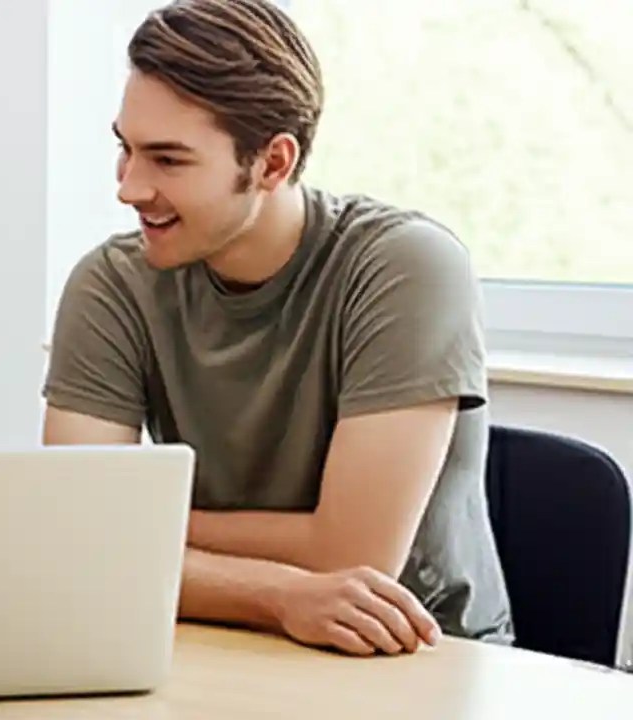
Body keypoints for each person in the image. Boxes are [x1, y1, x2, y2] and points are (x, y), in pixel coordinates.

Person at [42, 0, 512, 656]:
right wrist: (276, 593)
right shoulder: (112, 284)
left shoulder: (406, 267)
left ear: (272, 163)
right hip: (212, 635)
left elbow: (353, 556)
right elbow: (74, 536)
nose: (128, 187)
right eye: (125, 149)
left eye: (168, 160)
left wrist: (141, 525)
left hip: (417, 655)